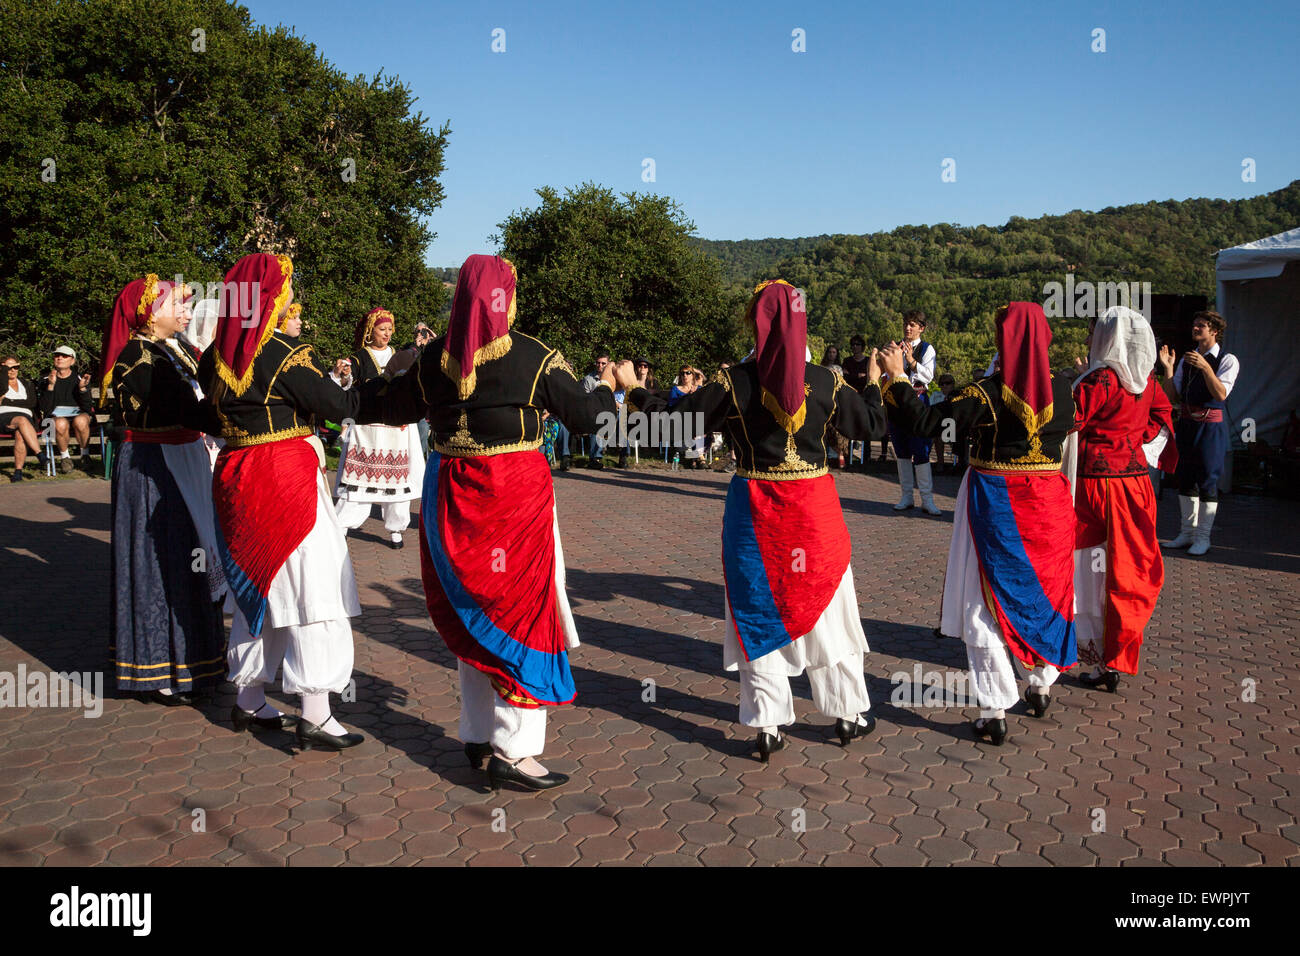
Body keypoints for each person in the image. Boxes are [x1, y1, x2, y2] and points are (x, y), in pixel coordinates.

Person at [363, 254, 617, 792]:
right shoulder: (534, 357)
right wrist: (615, 387)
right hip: (511, 499)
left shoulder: (432, 360)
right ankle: (515, 749)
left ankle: (478, 733)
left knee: (474, 606)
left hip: (450, 496)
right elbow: (593, 420)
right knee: (523, 613)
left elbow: (390, 408)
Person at [620, 280, 889, 763]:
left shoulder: (733, 381)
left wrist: (638, 391)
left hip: (755, 511)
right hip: (814, 510)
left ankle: (767, 723)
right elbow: (870, 425)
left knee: (757, 610)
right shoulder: (827, 381)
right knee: (828, 609)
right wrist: (875, 378)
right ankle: (847, 713)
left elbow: (673, 424)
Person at [200, 252, 384, 750]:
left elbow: (210, 418)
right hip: (285, 477)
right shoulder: (283, 354)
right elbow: (341, 404)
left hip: (238, 475)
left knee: (262, 584)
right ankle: (317, 710)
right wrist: (372, 379)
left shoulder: (212, 356)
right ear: (270, 298)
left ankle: (249, 697)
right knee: (312, 585)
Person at [878, 302, 1077, 747]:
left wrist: (896, 379)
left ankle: (993, 708)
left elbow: (929, 423)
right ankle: (1041, 680)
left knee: (982, 599)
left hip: (998, 500)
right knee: (1049, 592)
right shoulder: (1065, 390)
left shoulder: (986, 394)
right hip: (1049, 502)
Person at [100, 275, 227, 705]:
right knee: (165, 561)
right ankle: (157, 669)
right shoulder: (138, 355)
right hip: (156, 467)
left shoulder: (174, 352)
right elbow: (183, 408)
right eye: (180, 305)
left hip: (184, 462)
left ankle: (198, 662)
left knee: (193, 557)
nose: (188, 312)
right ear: (150, 312)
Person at [1066, 306, 1175, 693]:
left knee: (1086, 570)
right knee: (1127, 571)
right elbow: (1162, 417)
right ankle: (1115, 656)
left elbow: (1068, 419)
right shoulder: (1145, 381)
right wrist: (1133, 440)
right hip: (1134, 486)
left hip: (1094, 486)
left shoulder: (1101, 381)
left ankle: (1092, 653)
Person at [333, 308, 425, 549]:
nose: (387, 334)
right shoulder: (359, 357)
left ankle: (396, 530)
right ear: (370, 331)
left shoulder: (401, 355)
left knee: (397, 485)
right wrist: (343, 374)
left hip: (396, 428)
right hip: (368, 429)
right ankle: (342, 525)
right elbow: (347, 382)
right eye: (382, 329)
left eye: (389, 330)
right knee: (360, 482)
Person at [1156, 311, 1239, 557]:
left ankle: (1203, 537)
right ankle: (1187, 533)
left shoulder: (1227, 359)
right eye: (1194, 325)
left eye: (1200, 326)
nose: (1195, 329)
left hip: (1210, 426)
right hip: (1187, 423)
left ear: (1214, 331)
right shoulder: (1186, 359)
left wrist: (1205, 368)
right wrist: (1169, 370)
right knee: (1185, 477)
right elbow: (1171, 397)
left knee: (1207, 479)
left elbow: (1221, 394)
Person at [890, 310, 940, 514]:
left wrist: (911, 361)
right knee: (901, 451)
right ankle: (906, 496)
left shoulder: (928, 349)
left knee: (921, 450)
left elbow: (928, 376)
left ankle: (927, 499)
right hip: (897, 403)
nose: (908, 328)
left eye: (912, 324)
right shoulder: (894, 347)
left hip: (918, 402)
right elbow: (886, 373)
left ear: (921, 328)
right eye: (906, 324)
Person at [39, 346, 95, 473]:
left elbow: (87, 408)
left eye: (64, 356)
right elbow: (45, 408)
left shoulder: (81, 379)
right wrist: (51, 386)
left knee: (80, 420)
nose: (59, 358)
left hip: (79, 415)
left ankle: (85, 456)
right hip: (56, 418)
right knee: (60, 423)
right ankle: (65, 458)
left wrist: (82, 389)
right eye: (57, 355)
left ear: (72, 361)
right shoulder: (45, 380)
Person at [2, 356, 41, 481]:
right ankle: (39, 454)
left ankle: (18, 471)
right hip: (3, 417)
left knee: (20, 432)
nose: (12, 370)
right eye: (9, 367)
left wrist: (8, 401)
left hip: (25, 418)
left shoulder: (27, 384)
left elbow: (32, 403)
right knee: (21, 421)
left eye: (16, 367)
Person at [579, 351, 612, 469]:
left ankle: (622, 457)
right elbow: (585, 400)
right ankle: (595, 458)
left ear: (607, 365)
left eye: (603, 363)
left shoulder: (613, 379)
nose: (600, 366)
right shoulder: (589, 379)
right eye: (598, 363)